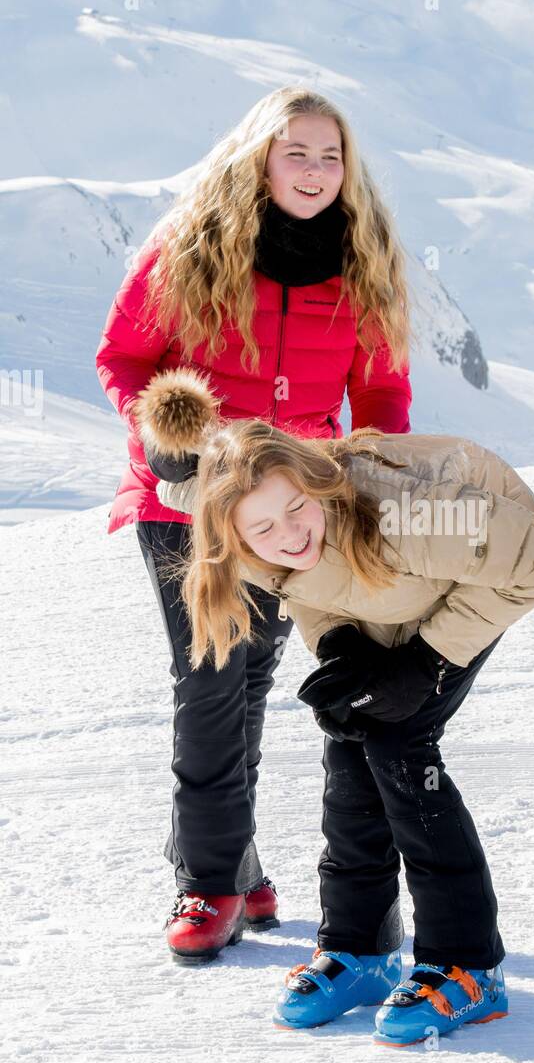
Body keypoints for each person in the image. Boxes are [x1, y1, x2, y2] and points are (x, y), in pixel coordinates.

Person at [136, 364, 534, 1045]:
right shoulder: (243, 530)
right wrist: (339, 648)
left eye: (298, 508)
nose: (288, 533)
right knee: (350, 738)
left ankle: (467, 965)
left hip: (475, 575)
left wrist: (424, 665)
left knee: (399, 743)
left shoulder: (405, 514)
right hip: (384, 593)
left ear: (317, 482)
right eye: (263, 528)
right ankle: (360, 950)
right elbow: (288, 573)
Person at [95, 87, 412, 962]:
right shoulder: (189, 249)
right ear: (259, 160)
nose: (314, 172)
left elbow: (380, 392)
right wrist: (163, 438)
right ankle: (208, 881)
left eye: (329, 156)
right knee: (209, 675)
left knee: (251, 678)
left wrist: (370, 475)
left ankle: (230, 856)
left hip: (291, 509)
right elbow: (124, 359)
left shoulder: (363, 263)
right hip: (190, 502)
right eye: (296, 153)